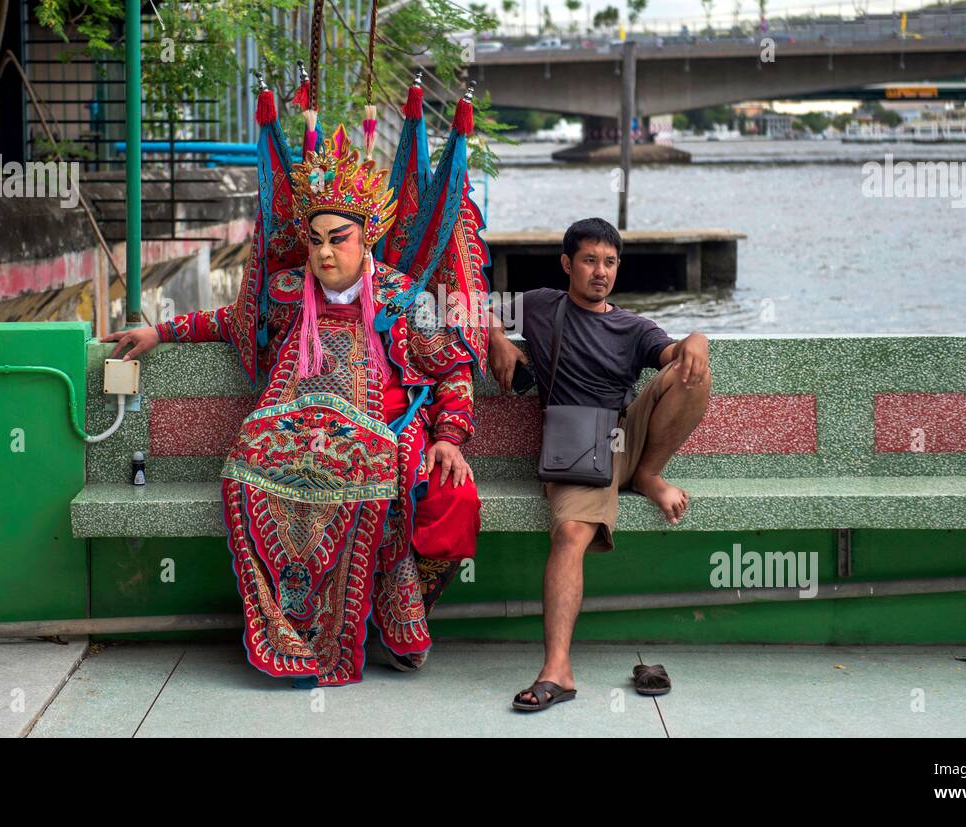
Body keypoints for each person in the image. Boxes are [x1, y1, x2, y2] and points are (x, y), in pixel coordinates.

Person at [105, 122, 482, 687]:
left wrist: (449, 437)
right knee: (248, 475)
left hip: (391, 424)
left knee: (428, 490)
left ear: (367, 237)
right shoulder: (284, 292)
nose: (325, 252)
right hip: (295, 423)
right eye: (315, 239)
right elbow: (230, 323)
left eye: (339, 238)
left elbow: (451, 367)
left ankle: (402, 608)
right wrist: (163, 332)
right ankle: (296, 629)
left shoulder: (405, 296)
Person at [488, 217, 712, 711]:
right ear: (568, 264)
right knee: (570, 534)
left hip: (626, 438)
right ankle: (558, 671)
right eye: (590, 260)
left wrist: (694, 338)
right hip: (574, 447)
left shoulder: (633, 326)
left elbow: (672, 355)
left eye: (610, 262)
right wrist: (499, 339)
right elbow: (479, 311)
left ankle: (649, 474)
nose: (600, 272)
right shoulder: (543, 305)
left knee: (693, 375)